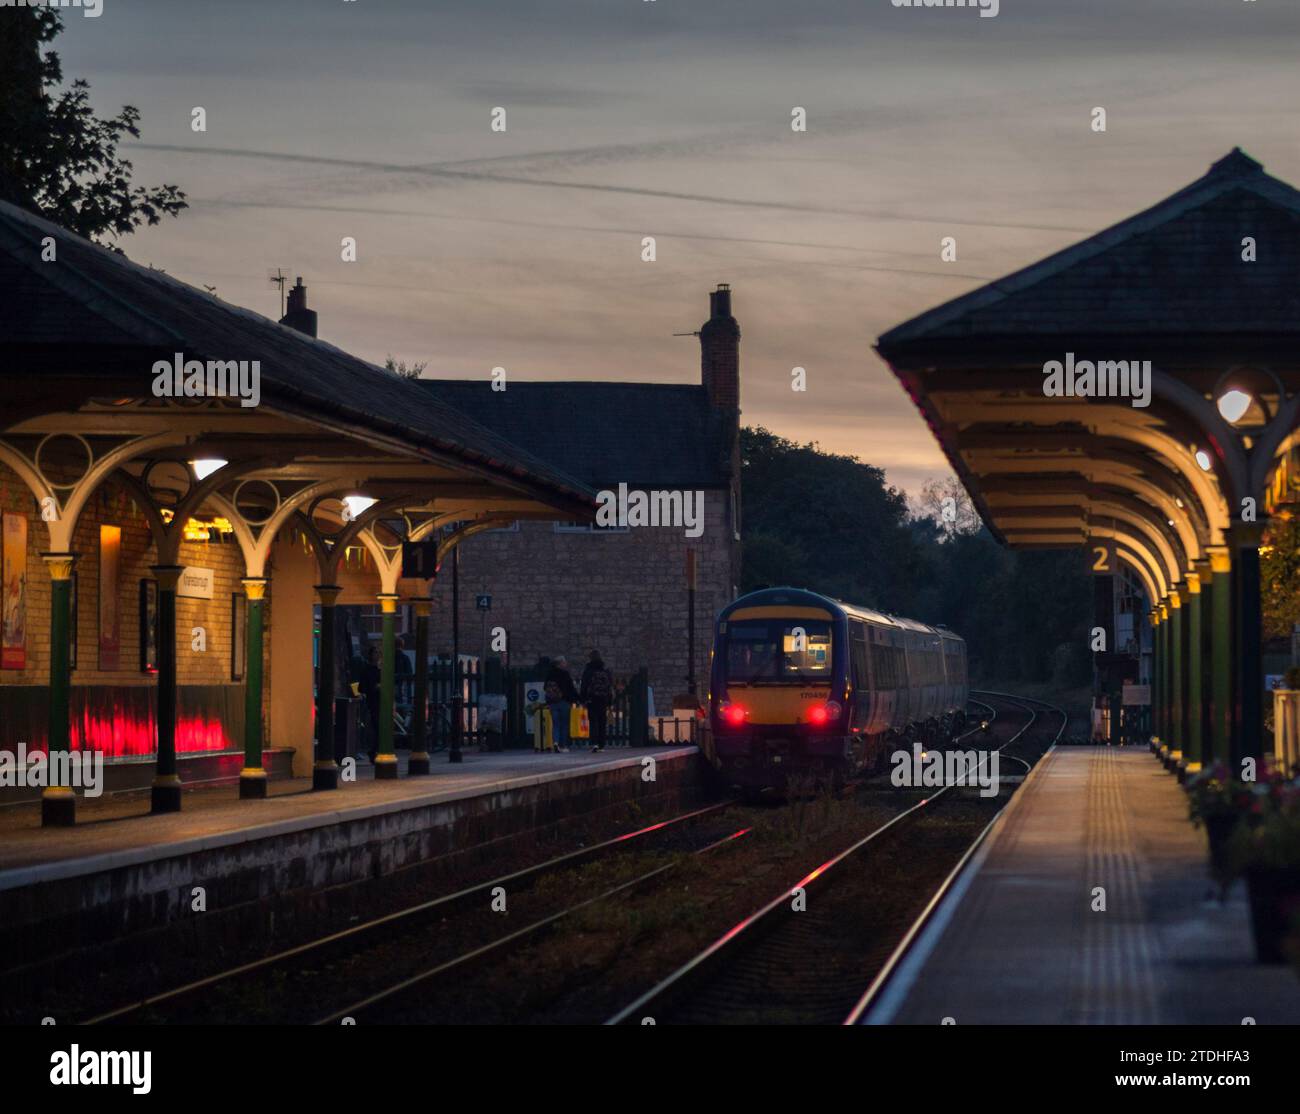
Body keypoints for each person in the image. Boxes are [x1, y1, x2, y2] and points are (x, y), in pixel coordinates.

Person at [580, 649, 613, 753]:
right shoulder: (604, 670)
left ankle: (594, 743)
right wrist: (609, 701)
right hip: (603, 699)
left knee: (593, 721)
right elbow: (609, 687)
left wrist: (583, 699)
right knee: (602, 721)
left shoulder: (588, 671)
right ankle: (601, 744)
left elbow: (584, 686)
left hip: (592, 699)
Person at [544, 654, 579, 753]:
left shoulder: (550, 674)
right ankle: (562, 745)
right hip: (564, 702)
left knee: (555, 724)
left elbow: (544, 687)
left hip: (552, 702)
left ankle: (555, 742)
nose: (566, 663)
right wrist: (576, 699)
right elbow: (570, 688)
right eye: (564, 662)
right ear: (561, 663)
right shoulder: (565, 674)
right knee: (564, 724)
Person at [360, 646, 382, 762]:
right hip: (373, 701)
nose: (378, 655)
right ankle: (373, 751)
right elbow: (362, 687)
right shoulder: (367, 670)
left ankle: (375, 750)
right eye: (376, 652)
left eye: (379, 652)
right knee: (377, 727)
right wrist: (375, 687)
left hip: (380, 701)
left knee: (379, 727)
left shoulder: (379, 669)